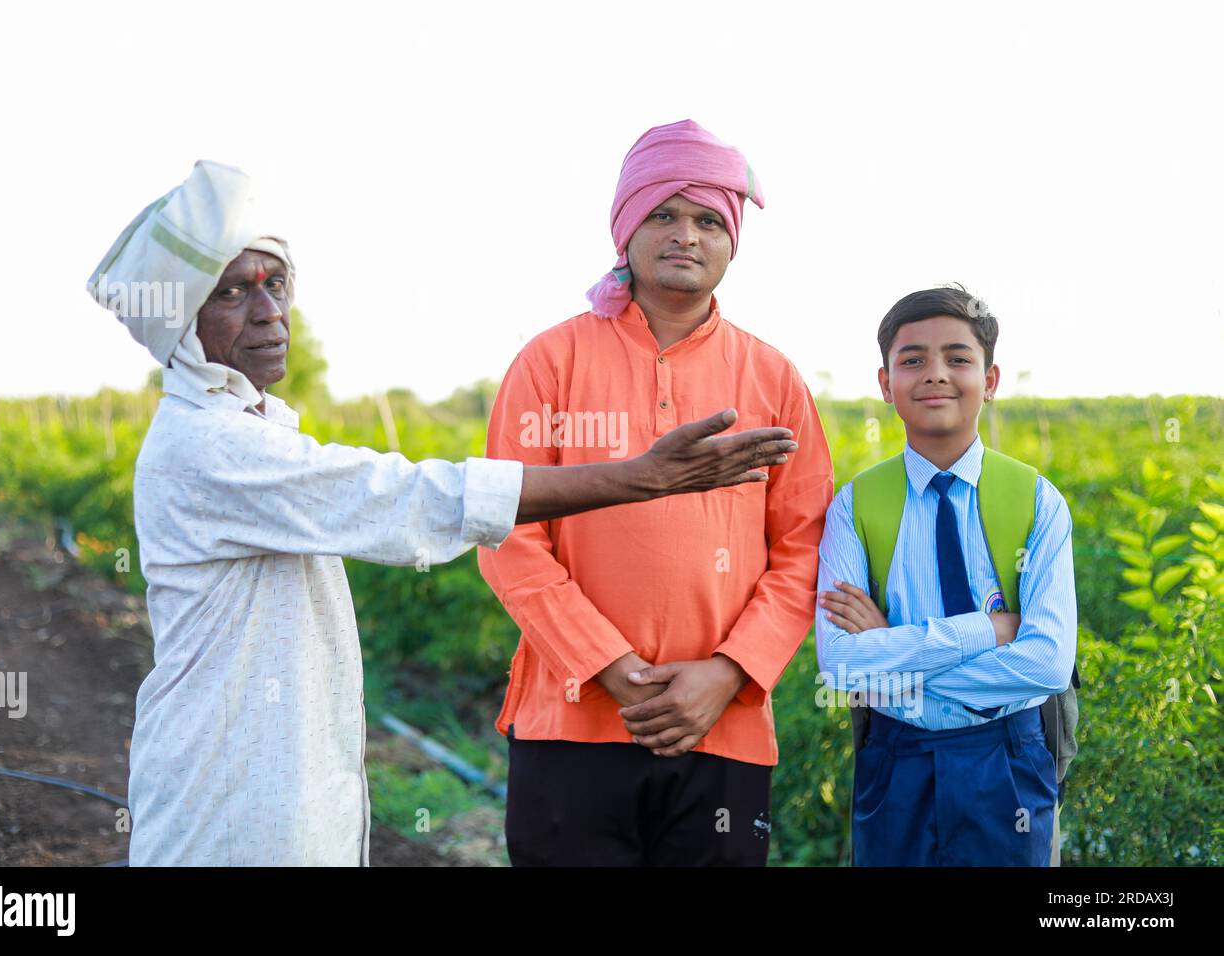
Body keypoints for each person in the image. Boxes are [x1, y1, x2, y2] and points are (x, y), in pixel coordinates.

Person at [86, 159, 797, 865]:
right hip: (231, 777)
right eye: (233, 293)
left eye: (276, 286)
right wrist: (639, 481)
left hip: (282, 764)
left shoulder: (256, 426)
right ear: (180, 323)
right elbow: (410, 497)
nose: (269, 313)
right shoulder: (210, 445)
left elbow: (803, 547)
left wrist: (731, 670)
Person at [478, 120, 835, 866]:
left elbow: (805, 549)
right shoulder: (550, 362)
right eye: (664, 213)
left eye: (709, 219)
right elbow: (508, 534)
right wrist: (611, 665)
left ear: (733, 239)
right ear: (626, 226)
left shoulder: (773, 379)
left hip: (724, 729)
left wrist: (728, 673)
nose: (687, 235)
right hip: (571, 722)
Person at [815, 285, 1077, 866]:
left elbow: (1049, 663)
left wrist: (891, 653)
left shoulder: (1036, 501)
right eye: (913, 359)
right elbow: (840, 666)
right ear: (885, 383)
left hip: (1007, 758)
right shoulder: (855, 506)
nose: (935, 374)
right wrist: (987, 631)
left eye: (958, 358)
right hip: (896, 759)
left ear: (990, 379)